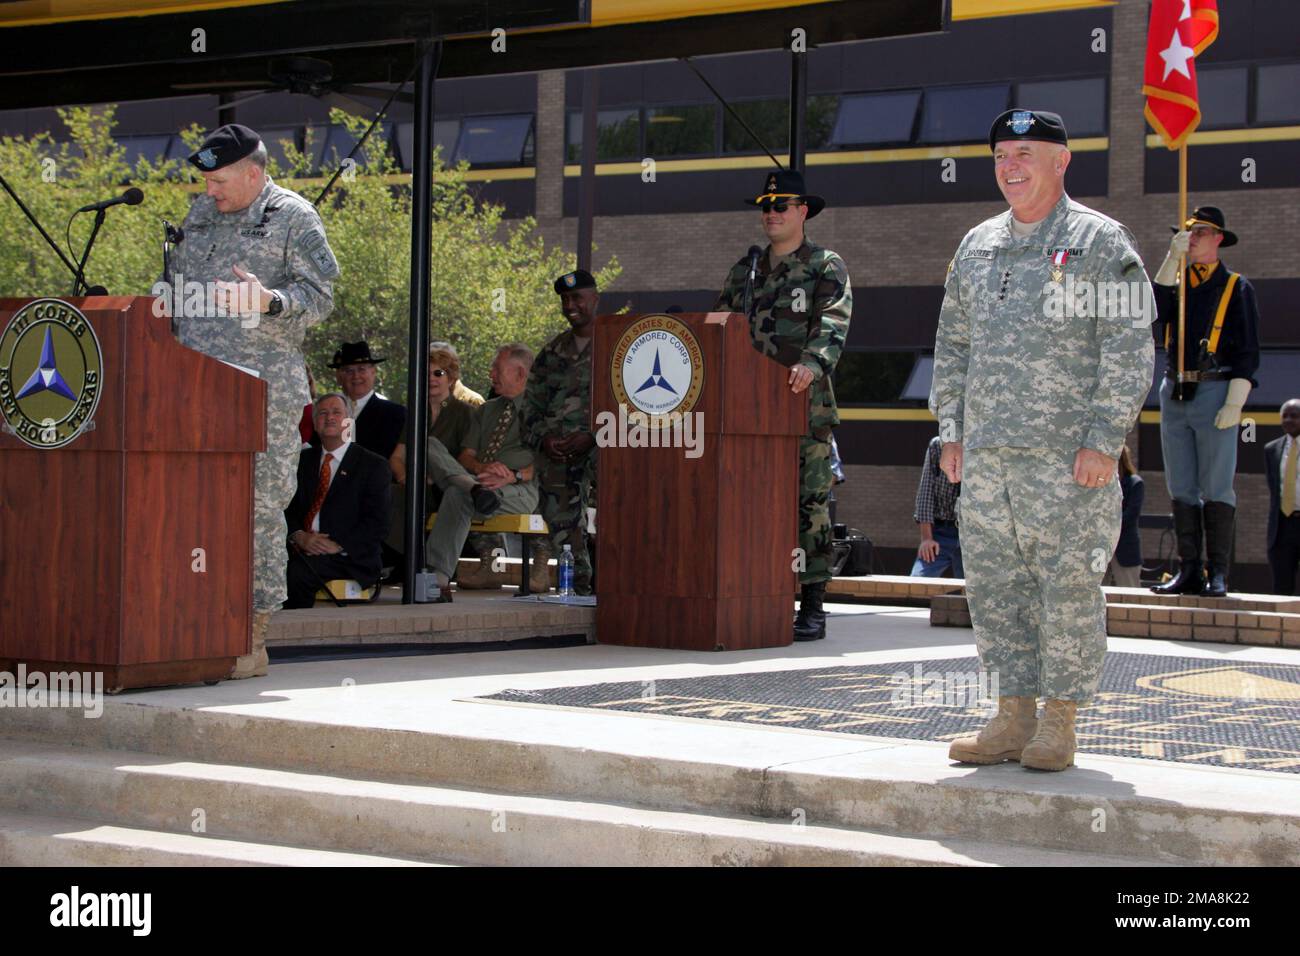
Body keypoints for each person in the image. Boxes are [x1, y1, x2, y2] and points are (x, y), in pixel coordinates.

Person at [930, 109, 1153, 771]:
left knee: (1066, 589)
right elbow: (953, 344)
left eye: (1026, 152)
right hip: (988, 460)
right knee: (996, 590)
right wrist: (952, 432)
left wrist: (1101, 437)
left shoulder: (1100, 242)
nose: (1011, 166)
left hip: (1067, 463)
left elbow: (1129, 347)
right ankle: (1011, 714)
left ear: (1062, 160)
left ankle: (1059, 721)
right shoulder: (976, 246)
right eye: (1001, 154)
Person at [166, 123, 339, 678]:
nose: (209, 190)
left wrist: (270, 301)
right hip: (192, 389)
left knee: (259, 508)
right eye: (205, 181)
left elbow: (322, 297)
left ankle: (251, 634)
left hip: (263, 390)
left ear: (254, 174)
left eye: (218, 181)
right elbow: (174, 288)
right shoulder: (198, 215)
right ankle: (192, 622)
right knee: (193, 509)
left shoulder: (293, 217)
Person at [714, 169, 852, 641]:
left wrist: (813, 363)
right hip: (744, 414)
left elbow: (832, 323)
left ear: (803, 211)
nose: (770, 214)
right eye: (765, 207)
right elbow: (720, 328)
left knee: (807, 505)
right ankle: (750, 594)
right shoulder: (745, 270)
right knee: (746, 503)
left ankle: (812, 603)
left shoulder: (824, 265)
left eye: (781, 206)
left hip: (803, 410)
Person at [1150, 206, 1262, 598]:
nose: (1192, 238)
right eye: (1188, 232)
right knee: (1181, 484)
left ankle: (1218, 572)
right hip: (1175, 388)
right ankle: (1190, 569)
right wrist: (1169, 258)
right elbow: (1152, 311)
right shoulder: (1176, 282)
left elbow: (1248, 351)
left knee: (1216, 485)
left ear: (1218, 238)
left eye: (1200, 232)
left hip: (1215, 389)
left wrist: (1236, 400)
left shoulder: (1236, 286)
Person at [424, 344, 539, 601]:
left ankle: (438, 580)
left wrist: (514, 475)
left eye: (497, 368)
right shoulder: (487, 409)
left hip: (518, 489)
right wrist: (481, 470)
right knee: (427, 444)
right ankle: (473, 489)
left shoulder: (542, 413)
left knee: (456, 493)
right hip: (479, 483)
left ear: (520, 374)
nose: (491, 374)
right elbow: (466, 456)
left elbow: (550, 462)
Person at [522, 269, 599, 596]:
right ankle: (580, 589)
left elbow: (635, 402)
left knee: (622, 516)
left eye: (577, 297)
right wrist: (545, 439)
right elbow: (530, 407)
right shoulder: (552, 353)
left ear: (595, 298)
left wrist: (593, 434)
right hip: (558, 455)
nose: (570, 305)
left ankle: (617, 587)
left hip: (605, 448)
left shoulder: (619, 343)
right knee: (562, 524)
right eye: (565, 299)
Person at [283, 393, 392, 608]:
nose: (329, 417)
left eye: (336, 412)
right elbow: (287, 508)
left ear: (348, 421)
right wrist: (299, 536)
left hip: (348, 556)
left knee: (296, 573)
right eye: (323, 413)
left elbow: (378, 522)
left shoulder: (372, 465)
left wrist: (336, 544)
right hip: (301, 548)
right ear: (314, 423)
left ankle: (295, 634)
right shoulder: (301, 462)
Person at [385, 344, 478, 577]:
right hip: (418, 487)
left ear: (451, 377)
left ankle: (416, 564)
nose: (432, 379)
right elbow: (397, 457)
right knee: (386, 493)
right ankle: (400, 560)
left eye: (439, 373)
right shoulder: (416, 413)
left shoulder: (465, 412)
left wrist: (435, 474)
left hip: (450, 490)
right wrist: (406, 476)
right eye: (427, 373)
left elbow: (468, 459)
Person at [328, 340, 407, 461]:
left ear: (373, 372)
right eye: (349, 371)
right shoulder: (328, 412)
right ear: (340, 376)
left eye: (361, 369)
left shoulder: (394, 413)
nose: (356, 376)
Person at [911, 434, 962, 578]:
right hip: (941, 533)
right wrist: (926, 538)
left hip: (971, 536)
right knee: (916, 583)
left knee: (972, 593)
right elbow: (926, 492)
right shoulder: (938, 445)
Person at [1265, 398, 1300, 595]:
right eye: (1285, 416)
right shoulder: (1272, 449)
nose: (1288, 420)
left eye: (1294, 416)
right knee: (1281, 586)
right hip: (1282, 527)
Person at [1104, 446, 1145, 588]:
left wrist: (1106, 524)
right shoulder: (1102, 482)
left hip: (1125, 546)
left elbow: (1131, 514)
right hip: (1101, 547)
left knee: (1130, 590)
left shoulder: (1135, 483)